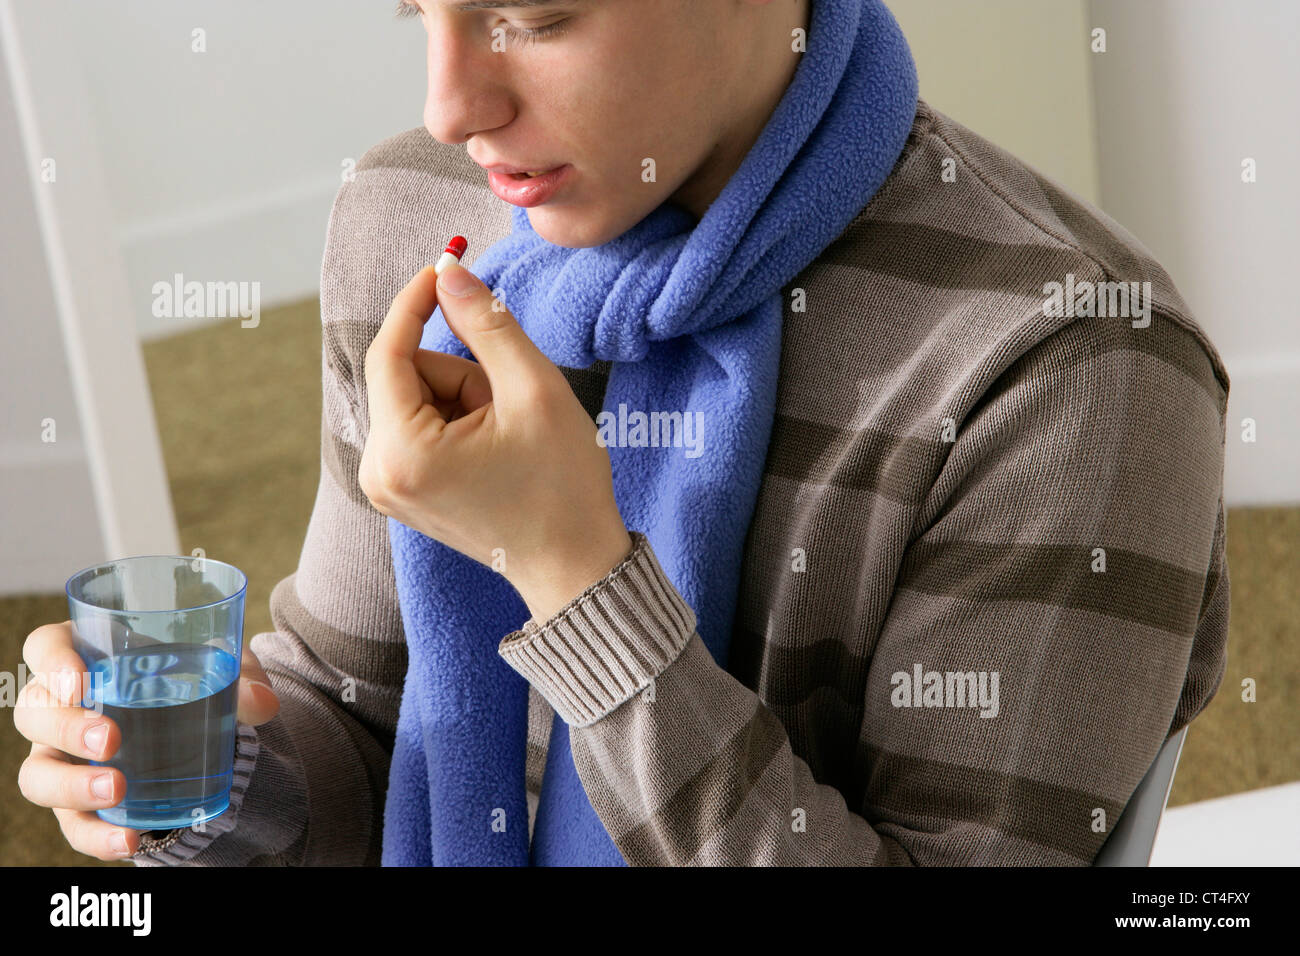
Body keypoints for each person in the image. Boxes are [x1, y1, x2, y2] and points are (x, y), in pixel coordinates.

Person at [15, 0, 1229, 865]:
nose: (452, 106)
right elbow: (361, 711)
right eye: (415, 13)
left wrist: (573, 577)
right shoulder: (420, 218)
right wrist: (206, 777)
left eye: (535, 18)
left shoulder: (1077, 371)